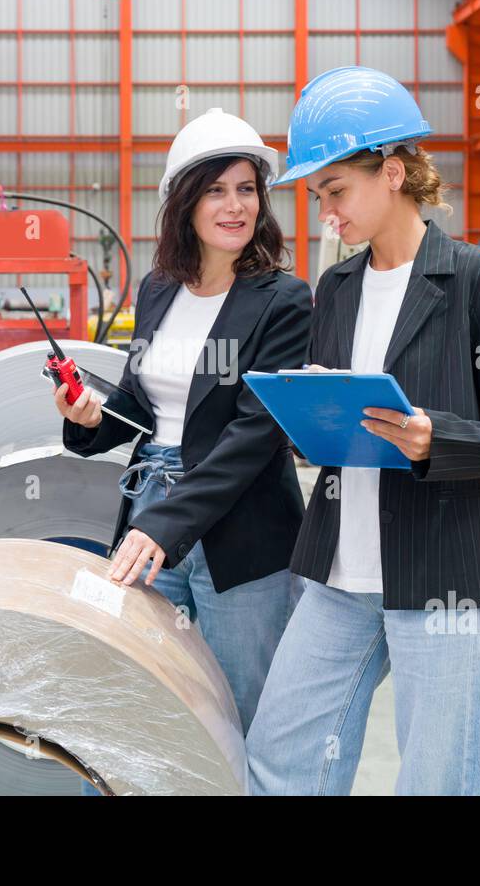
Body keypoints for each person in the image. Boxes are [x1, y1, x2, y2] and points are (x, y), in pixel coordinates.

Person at [245, 67, 480, 796]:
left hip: (443, 570)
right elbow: (338, 420)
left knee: (437, 778)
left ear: (392, 174)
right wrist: (307, 421)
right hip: (339, 572)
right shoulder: (340, 290)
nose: (327, 214)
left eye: (336, 193)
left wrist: (433, 441)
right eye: (318, 198)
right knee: (280, 758)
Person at [54, 108, 313, 775]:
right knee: (139, 694)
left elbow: (257, 430)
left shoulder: (284, 301)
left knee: (239, 707)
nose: (235, 205)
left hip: (241, 530)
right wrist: (91, 416)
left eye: (247, 188)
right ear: (185, 202)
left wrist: (168, 524)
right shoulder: (160, 288)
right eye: (216, 189)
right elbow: (143, 402)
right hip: (152, 514)